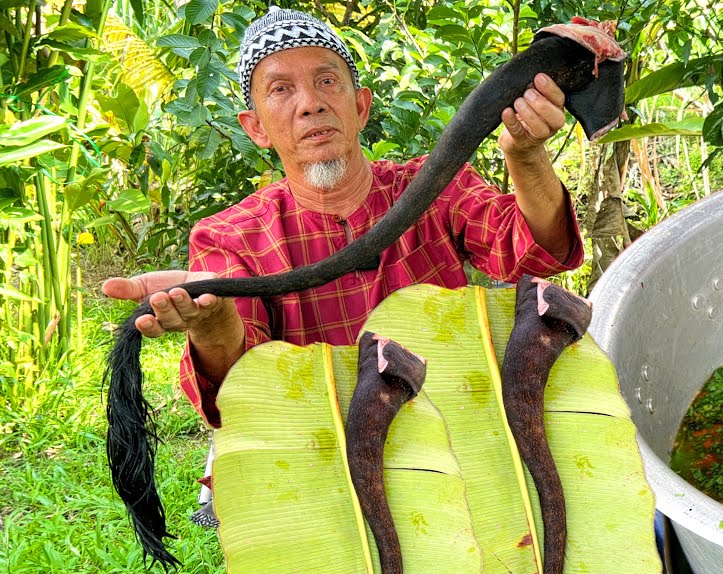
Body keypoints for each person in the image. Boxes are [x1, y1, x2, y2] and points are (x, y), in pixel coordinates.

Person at [102, 6, 585, 426]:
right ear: (256, 128)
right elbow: (242, 391)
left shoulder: (432, 186)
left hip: (451, 426)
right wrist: (212, 324)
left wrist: (525, 157)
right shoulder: (230, 237)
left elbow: (536, 251)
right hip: (320, 449)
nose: (310, 104)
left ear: (360, 106)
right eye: (281, 90)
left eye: (327, 81)